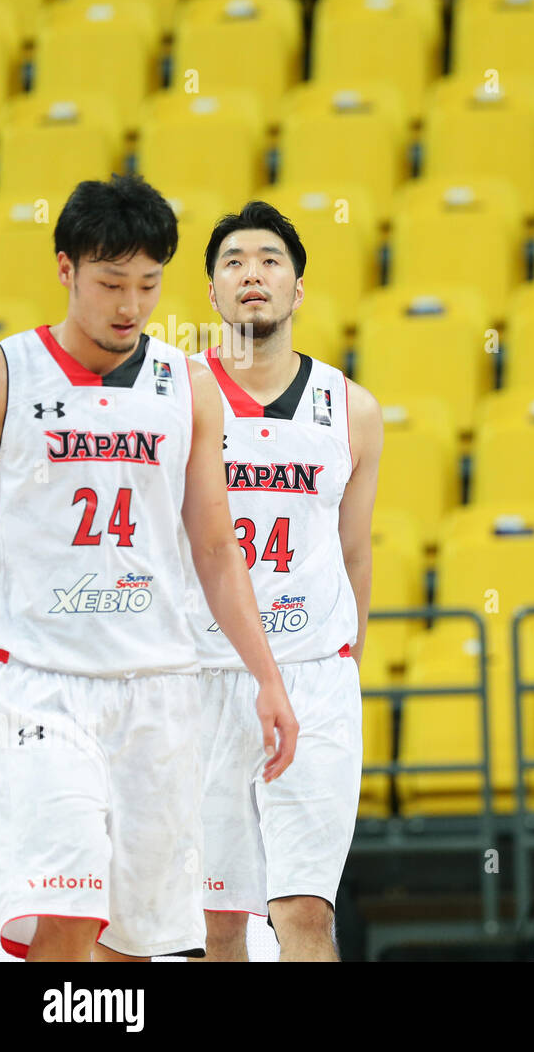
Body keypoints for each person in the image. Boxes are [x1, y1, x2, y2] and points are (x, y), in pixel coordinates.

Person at [0, 175, 297, 962]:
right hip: (41, 681)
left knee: (140, 938)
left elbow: (217, 546)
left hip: (161, 684)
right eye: (110, 283)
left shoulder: (187, 383)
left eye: (148, 284)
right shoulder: (9, 376)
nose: (130, 304)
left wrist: (267, 677)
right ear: (65, 270)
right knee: (64, 913)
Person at [189, 202, 382, 961]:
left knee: (304, 910)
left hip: (312, 676)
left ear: (299, 288)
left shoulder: (353, 410)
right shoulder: (178, 397)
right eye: (233, 262)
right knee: (217, 923)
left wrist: (345, 669)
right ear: (211, 293)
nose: (252, 274)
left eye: (270, 260)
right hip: (203, 675)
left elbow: (355, 551)